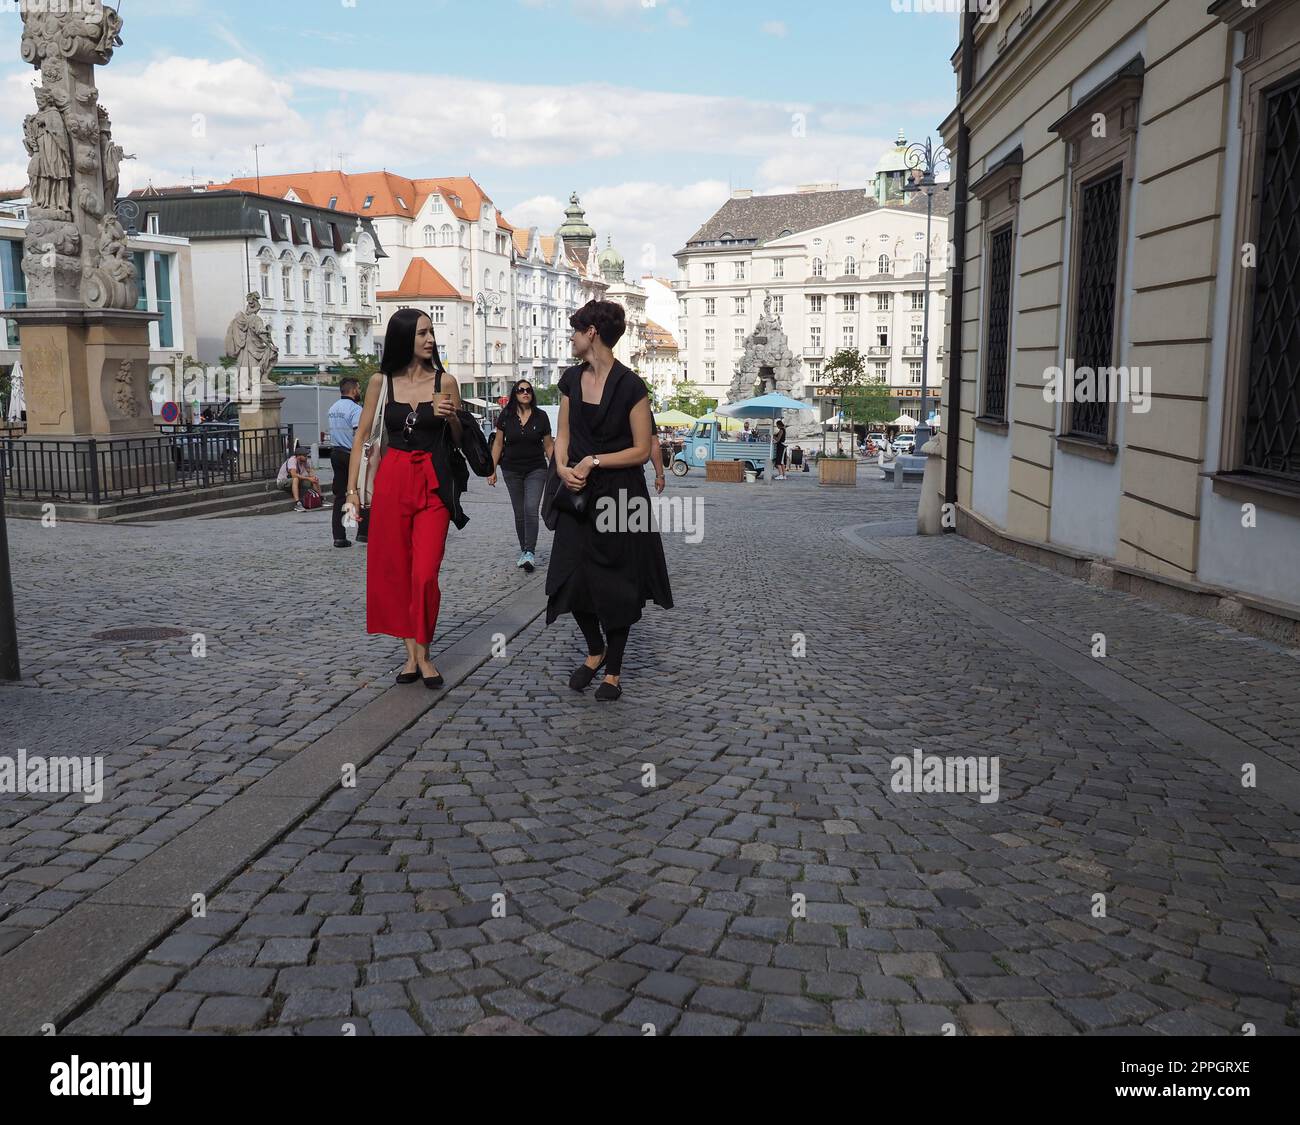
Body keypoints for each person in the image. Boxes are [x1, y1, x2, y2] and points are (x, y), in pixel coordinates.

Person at [547, 300, 673, 702]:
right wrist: (563, 467)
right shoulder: (570, 379)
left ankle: (613, 670)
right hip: (578, 494)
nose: (571, 336)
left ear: (592, 334)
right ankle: (594, 649)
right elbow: (563, 433)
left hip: (621, 496)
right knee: (570, 579)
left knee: (619, 585)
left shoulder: (631, 386)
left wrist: (593, 460)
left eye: (575, 329)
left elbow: (640, 449)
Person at [342, 310, 463, 689]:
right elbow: (362, 437)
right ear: (403, 338)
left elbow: (461, 440)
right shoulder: (381, 382)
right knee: (396, 571)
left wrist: (452, 417)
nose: (430, 339)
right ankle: (412, 656)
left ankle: (425, 654)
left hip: (432, 484)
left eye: (431, 332)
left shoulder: (447, 381)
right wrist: (352, 492)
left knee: (425, 574)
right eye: (422, 333)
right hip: (393, 480)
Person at [488, 379, 553, 573]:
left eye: (528, 390)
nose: (525, 393)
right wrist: (491, 470)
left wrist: (557, 469)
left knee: (531, 508)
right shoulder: (506, 416)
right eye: (520, 390)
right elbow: (498, 444)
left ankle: (530, 552)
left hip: (536, 469)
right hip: (511, 469)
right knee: (519, 512)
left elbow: (549, 445)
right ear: (515, 394)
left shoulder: (541, 417)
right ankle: (524, 549)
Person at [327, 378, 363, 548]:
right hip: (351, 454)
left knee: (340, 496)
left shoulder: (333, 408)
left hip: (335, 453)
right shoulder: (355, 409)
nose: (360, 391)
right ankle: (363, 532)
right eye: (359, 388)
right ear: (354, 390)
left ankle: (339, 536)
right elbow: (358, 435)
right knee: (359, 492)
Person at [278, 446, 319, 512]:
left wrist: (313, 477)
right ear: (299, 456)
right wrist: (308, 478)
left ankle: (320, 498)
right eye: (305, 455)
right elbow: (293, 474)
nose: (306, 457)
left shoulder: (304, 462)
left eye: (306, 455)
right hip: (282, 482)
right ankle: (297, 503)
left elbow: (310, 472)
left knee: (314, 479)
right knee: (296, 478)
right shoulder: (292, 460)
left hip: (295, 482)